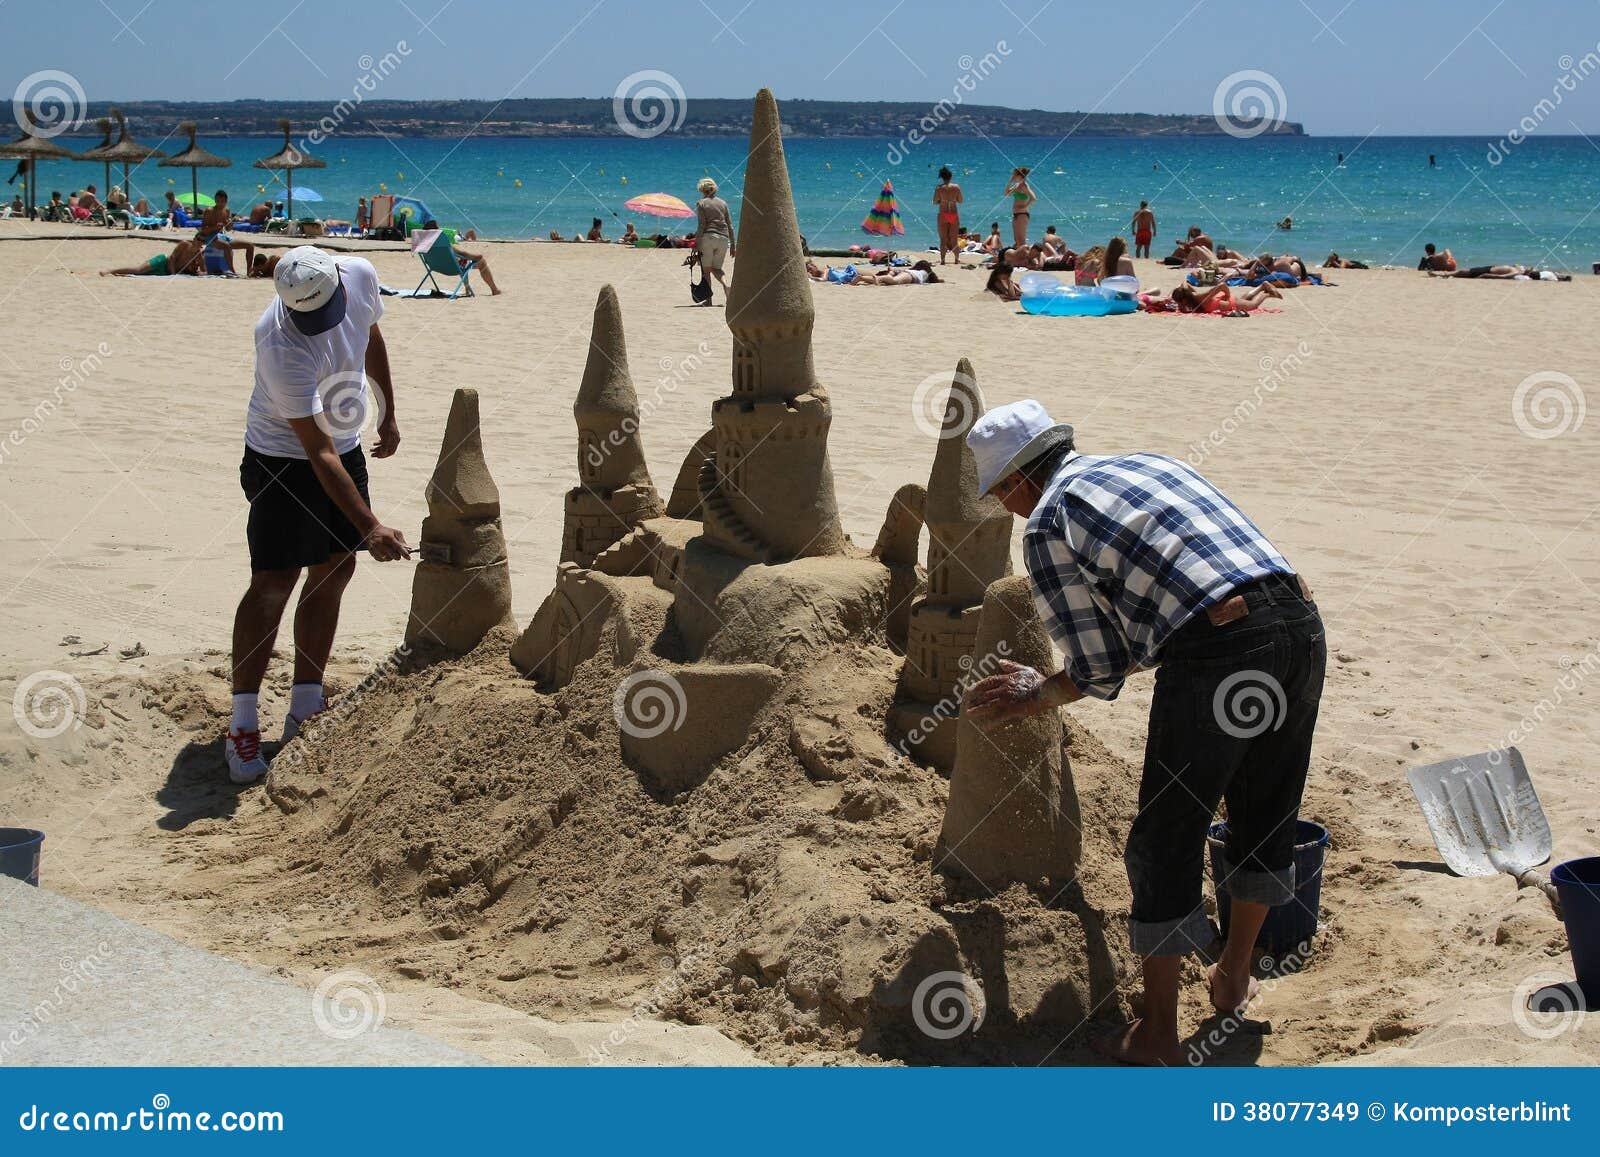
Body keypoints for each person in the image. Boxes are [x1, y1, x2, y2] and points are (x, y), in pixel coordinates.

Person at [962, 401, 1324, 1066]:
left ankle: (1158, 1031)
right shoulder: (1146, 463)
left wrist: (1037, 694)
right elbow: (1158, 611)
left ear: (1017, 483)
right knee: (1266, 810)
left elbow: (1100, 669)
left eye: (1001, 495)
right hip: (1299, 622)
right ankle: (1235, 974)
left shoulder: (1047, 521)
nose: (1008, 509)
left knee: (1166, 836)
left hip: (1221, 649)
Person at [226, 246, 409, 785]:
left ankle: (306, 703)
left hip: (343, 445)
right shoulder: (278, 341)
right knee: (273, 583)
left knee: (336, 568)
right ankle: (242, 724)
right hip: (282, 458)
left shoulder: (358, 274)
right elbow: (317, 454)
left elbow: (372, 337)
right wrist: (370, 524)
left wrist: (388, 410)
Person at [421, 220, 503, 294]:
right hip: (452, 268)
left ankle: (467, 290)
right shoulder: (443, 242)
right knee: (481, 262)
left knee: (459, 260)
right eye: (438, 227)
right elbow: (464, 254)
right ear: (437, 230)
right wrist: (478, 256)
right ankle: (494, 290)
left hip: (435, 267)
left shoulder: (424, 244)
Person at [694, 177, 734, 305]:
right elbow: (730, 225)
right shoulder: (723, 203)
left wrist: (696, 244)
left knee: (706, 270)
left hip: (708, 237)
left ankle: (708, 300)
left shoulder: (701, 203)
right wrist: (733, 244)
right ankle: (726, 285)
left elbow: (702, 226)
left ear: (702, 190)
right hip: (723, 238)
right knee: (717, 268)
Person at [100, 237, 209, 277]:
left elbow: (205, 271)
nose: (199, 243)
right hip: (163, 261)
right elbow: (172, 258)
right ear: (194, 239)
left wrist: (199, 272)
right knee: (138, 270)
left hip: (166, 272)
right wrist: (173, 274)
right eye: (198, 239)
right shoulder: (185, 244)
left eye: (202, 241)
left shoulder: (198, 255)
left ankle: (117, 272)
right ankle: (110, 270)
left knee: (141, 274)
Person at [197, 190, 243, 273]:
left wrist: (229, 224)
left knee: (250, 246)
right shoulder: (209, 211)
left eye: (222, 202)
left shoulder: (226, 211)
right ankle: (231, 270)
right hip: (209, 237)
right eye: (218, 201)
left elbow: (228, 229)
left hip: (221, 236)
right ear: (215, 201)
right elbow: (203, 230)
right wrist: (215, 227)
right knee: (227, 246)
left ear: (226, 201)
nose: (220, 204)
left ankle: (250, 271)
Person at [933, 166, 963, 265]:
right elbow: (960, 200)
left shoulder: (939, 188)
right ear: (950, 177)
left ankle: (943, 260)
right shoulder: (956, 187)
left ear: (942, 177)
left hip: (943, 213)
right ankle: (956, 259)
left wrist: (942, 200)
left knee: (943, 239)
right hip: (953, 213)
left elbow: (935, 202)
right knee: (954, 239)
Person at [1004, 167, 1035, 249]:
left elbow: (1033, 198)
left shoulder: (1024, 186)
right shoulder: (1017, 185)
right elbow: (1006, 193)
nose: (1013, 176)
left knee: (1021, 240)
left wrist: (1024, 207)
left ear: (1020, 176)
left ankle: (1024, 258)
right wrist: (1010, 181)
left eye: (1014, 175)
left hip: (1022, 214)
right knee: (1017, 240)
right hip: (1016, 214)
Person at [854, 259, 942, 285]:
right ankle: (877, 278)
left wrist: (891, 270)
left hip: (906, 274)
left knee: (886, 281)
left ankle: (861, 278)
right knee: (894, 281)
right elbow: (935, 280)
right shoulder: (925, 273)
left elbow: (897, 270)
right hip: (911, 277)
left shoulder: (914, 270)